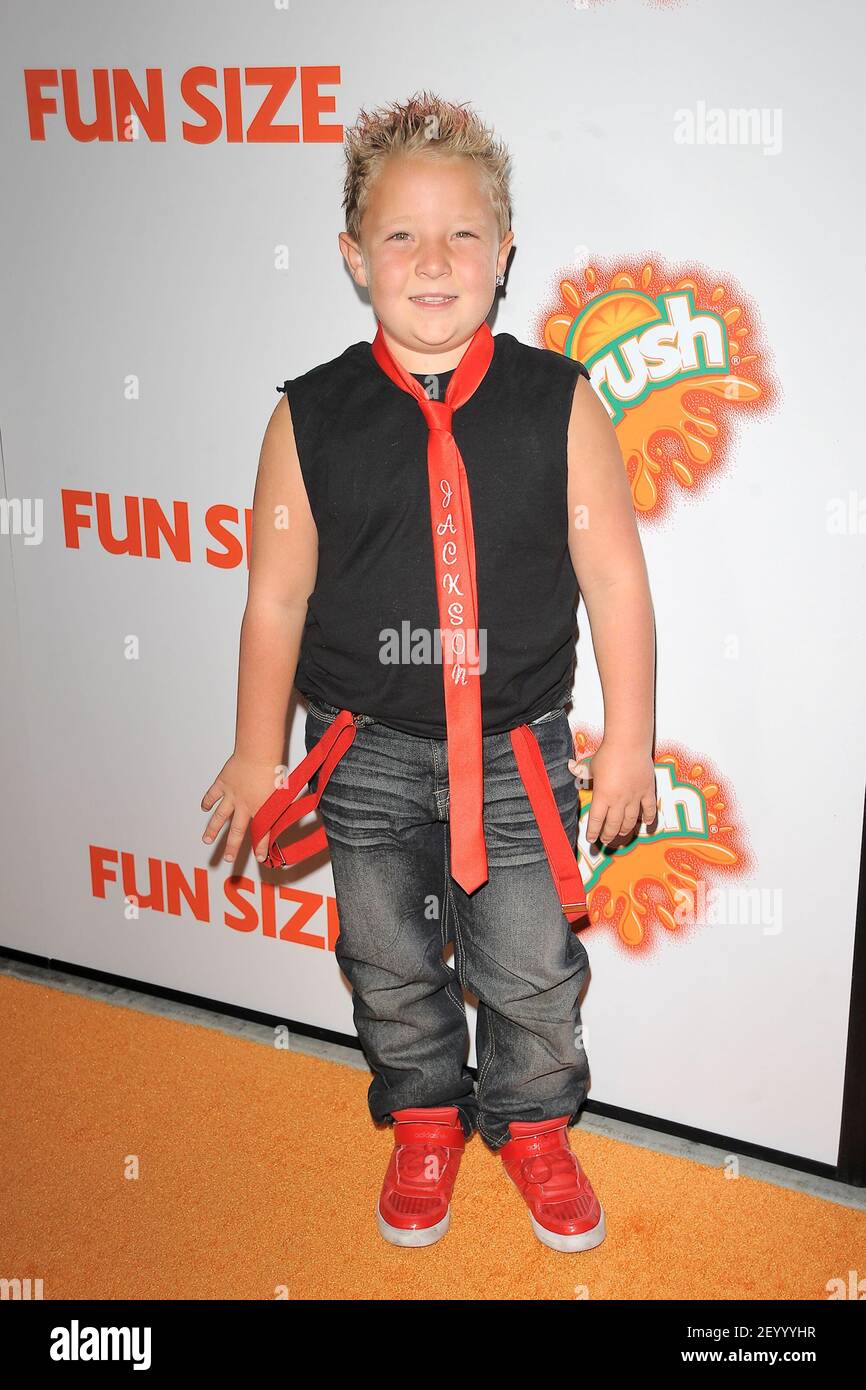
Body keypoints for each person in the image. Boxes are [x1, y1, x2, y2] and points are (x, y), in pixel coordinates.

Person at [200, 91, 657, 1254]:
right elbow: (274, 597)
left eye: (462, 233)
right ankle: (421, 1116)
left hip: (516, 752)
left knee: (532, 967)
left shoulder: (559, 402)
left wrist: (631, 739)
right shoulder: (308, 416)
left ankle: (534, 1123)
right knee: (388, 961)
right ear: (354, 257)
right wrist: (256, 751)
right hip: (361, 753)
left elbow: (613, 580)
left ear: (504, 253)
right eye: (400, 234)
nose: (434, 259)